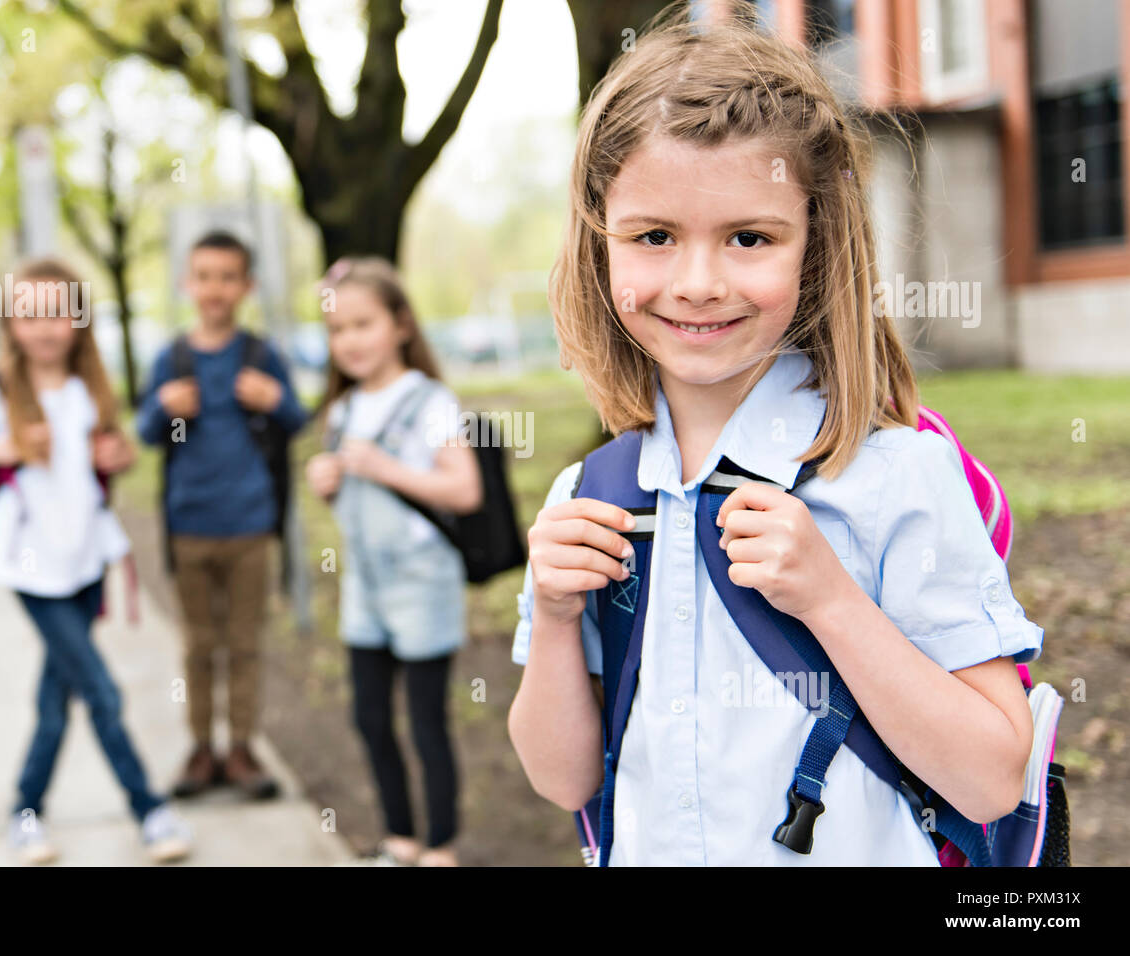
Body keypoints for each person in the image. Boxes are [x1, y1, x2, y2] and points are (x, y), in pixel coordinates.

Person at [506, 10, 1044, 866]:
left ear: (817, 247)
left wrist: (832, 602)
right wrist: (560, 620)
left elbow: (989, 780)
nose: (698, 282)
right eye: (653, 237)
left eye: (750, 237)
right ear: (599, 246)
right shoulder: (591, 497)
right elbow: (561, 780)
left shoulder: (897, 473)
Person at [0, 257, 193, 865]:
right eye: (30, 314)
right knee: (101, 691)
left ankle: (25, 810)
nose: (45, 328)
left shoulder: (88, 388)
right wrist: (10, 445)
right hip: (31, 564)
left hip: (85, 558)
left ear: (78, 321)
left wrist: (116, 455)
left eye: (57, 313)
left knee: (57, 697)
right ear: (10, 321)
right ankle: (149, 808)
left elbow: (101, 462)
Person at [306, 257, 481, 866]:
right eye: (336, 330)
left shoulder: (427, 401)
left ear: (400, 325)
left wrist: (385, 469)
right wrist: (327, 483)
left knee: (427, 722)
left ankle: (440, 846)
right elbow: (354, 509)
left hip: (422, 580)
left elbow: (465, 491)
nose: (349, 341)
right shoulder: (343, 409)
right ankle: (399, 838)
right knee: (370, 716)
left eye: (363, 324)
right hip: (366, 585)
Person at [137, 231, 307, 799]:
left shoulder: (261, 357)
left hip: (251, 525)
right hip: (188, 525)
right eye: (204, 276)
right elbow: (143, 432)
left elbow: (299, 420)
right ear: (188, 283)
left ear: (247, 286)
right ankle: (200, 750)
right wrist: (163, 409)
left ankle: (241, 749)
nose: (215, 289)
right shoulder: (171, 358)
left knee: (245, 642)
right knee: (198, 643)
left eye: (227, 277)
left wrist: (273, 400)